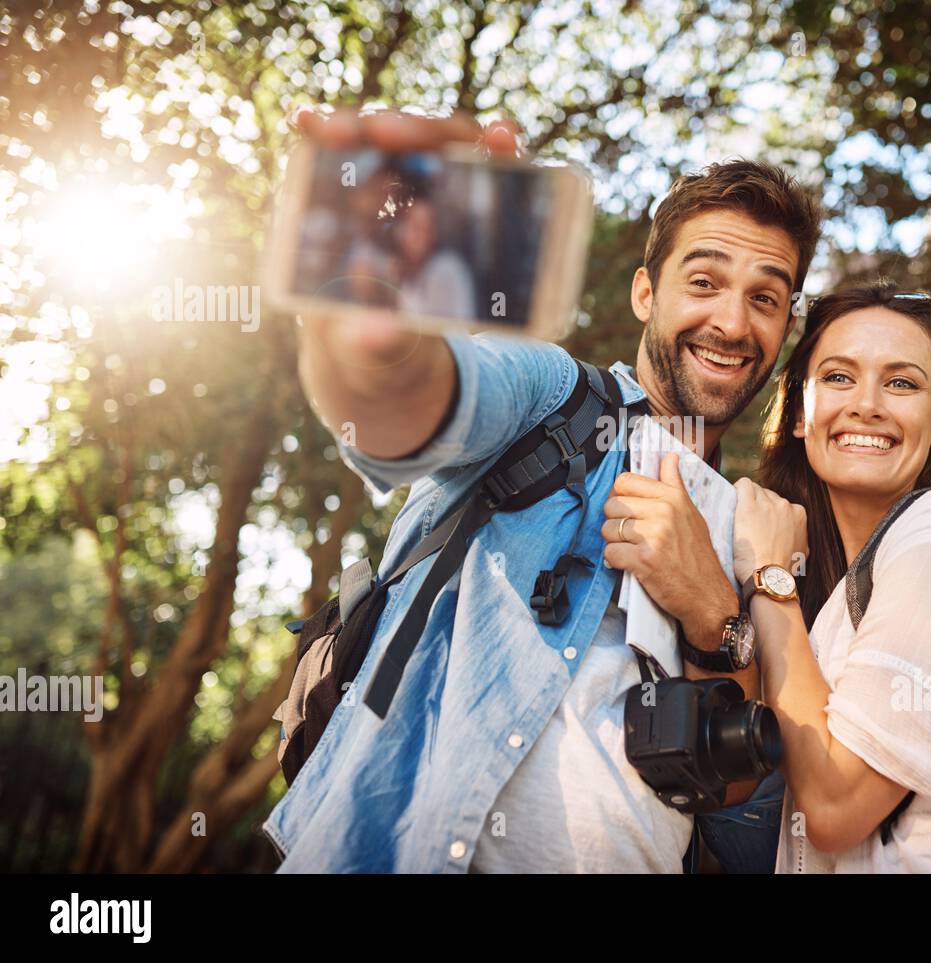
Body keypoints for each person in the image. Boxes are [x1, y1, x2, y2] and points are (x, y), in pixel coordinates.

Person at [263, 106, 822, 873]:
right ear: (644, 294)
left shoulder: (760, 538)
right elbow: (407, 405)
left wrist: (716, 619)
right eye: (704, 281)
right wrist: (370, 319)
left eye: (765, 297)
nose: (732, 321)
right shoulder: (551, 396)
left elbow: (750, 835)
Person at [730, 282, 931, 872]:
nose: (866, 403)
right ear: (802, 414)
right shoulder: (839, 600)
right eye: (837, 377)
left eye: (901, 383)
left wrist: (770, 579)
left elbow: (835, 805)